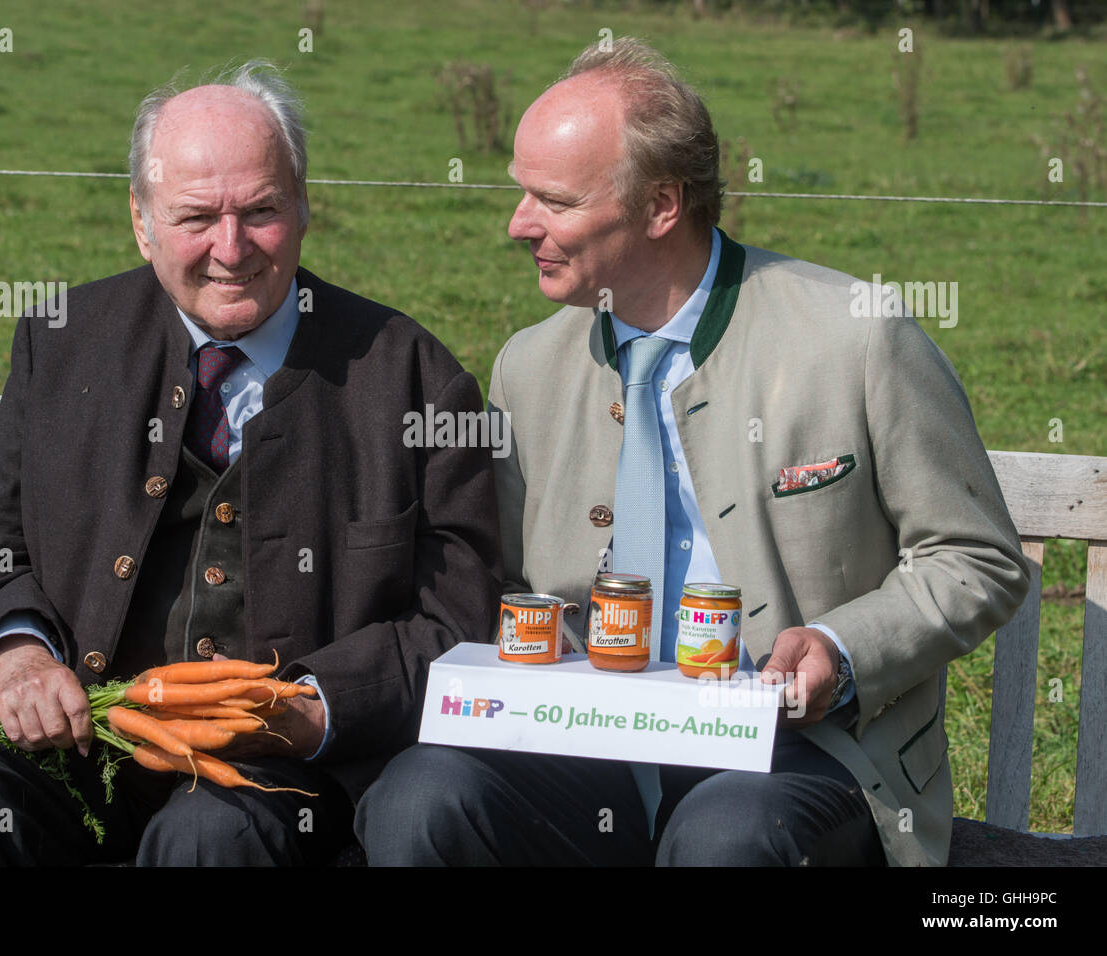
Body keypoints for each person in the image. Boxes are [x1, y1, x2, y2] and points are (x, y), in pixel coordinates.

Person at [355, 38, 1029, 867]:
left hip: (803, 753)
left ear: (662, 205)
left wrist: (840, 650)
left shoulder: (856, 337)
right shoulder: (528, 364)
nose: (518, 224)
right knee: (416, 800)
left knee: (725, 838)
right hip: (587, 740)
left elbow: (976, 558)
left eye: (554, 200)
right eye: (519, 192)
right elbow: (507, 578)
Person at [0, 61, 501, 866]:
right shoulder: (62, 343)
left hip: (276, 781)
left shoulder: (411, 376)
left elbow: (456, 616)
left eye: (262, 212)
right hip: (75, 751)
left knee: (208, 840)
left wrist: (307, 707)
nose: (231, 249)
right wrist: (21, 655)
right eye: (196, 216)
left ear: (305, 206)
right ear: (142, 222)